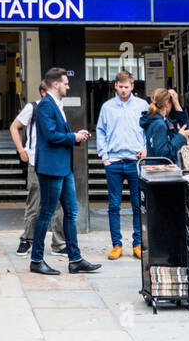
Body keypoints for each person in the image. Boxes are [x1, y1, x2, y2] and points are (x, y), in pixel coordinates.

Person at [29, 67, 101, 276]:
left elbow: (57, 133)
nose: (68, 86)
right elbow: (51, 136)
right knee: (46, 213)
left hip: (62, 167)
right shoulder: (45, 106)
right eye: (65, 83)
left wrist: (75, 135)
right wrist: (74, 138)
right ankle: (36, 260)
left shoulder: (56, 105)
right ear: (55, 84)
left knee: (71, 212)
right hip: (51, 168)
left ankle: (75, 259)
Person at [8, 81, 67, 256]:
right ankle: (27, 239)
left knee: (58, 204)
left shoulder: (59, 108)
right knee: (34, 202)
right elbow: (14, 127)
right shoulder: (32, 108)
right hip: (36, 161)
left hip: (54, 162)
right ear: (43, 92)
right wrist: (21, 150)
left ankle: (59, 243)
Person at [95, 69, 148, 260]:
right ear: (115, 86)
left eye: (127, 87)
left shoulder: (142, 105)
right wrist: (104, 156)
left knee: (137, 205)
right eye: (121, 87)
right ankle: (116, 245)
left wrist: (145, 148)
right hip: (114, 162)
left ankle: (138, 243)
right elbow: (100, 130)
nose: (124, 90)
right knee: (114, 205)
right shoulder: (108, 107)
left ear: (132, 86)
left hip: (135, 161)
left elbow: (147, 130)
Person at [141, 87, 189, 164]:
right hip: (162, 171)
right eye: (172, 102)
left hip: (155, 169)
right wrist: (180, 137)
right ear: (167, 103)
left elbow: (185, 127)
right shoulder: (160, 124)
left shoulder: (152, 120)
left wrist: (176, 103)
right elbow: (162, 153)